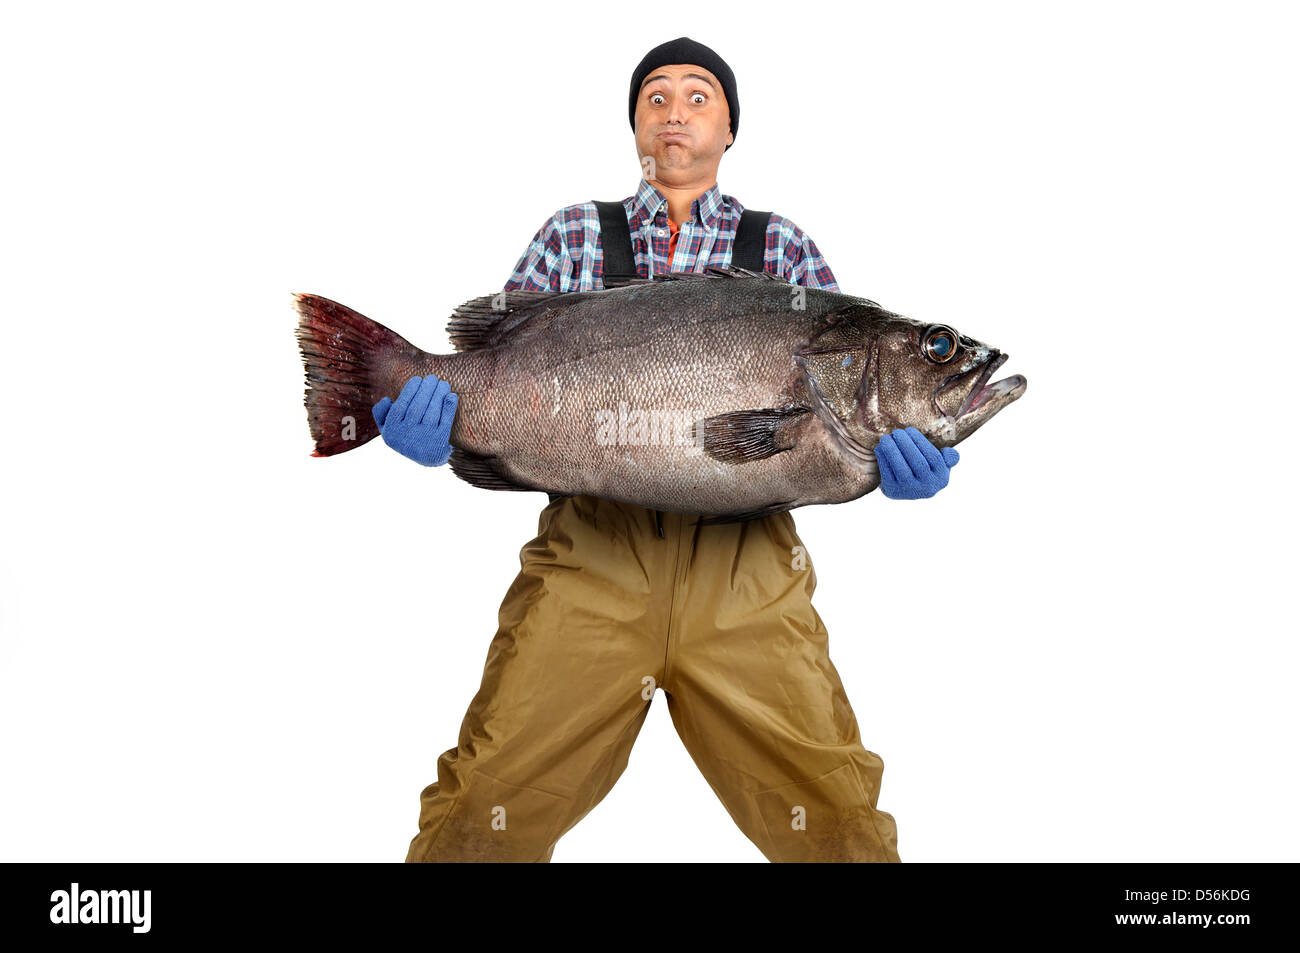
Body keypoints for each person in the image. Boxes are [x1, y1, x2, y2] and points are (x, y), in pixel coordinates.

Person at [375, 37, 959, 862]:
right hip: (591, 563)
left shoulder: (784, 253)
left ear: (729, 129)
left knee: (839, 821)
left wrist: (891, 451)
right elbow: (495, 355)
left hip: (747, 579)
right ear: (634, 127)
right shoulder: (572, 234)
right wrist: (445, 417)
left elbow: (828, 425)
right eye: (656, 97)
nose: (675, 111)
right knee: (484, 806)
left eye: (698, 96)